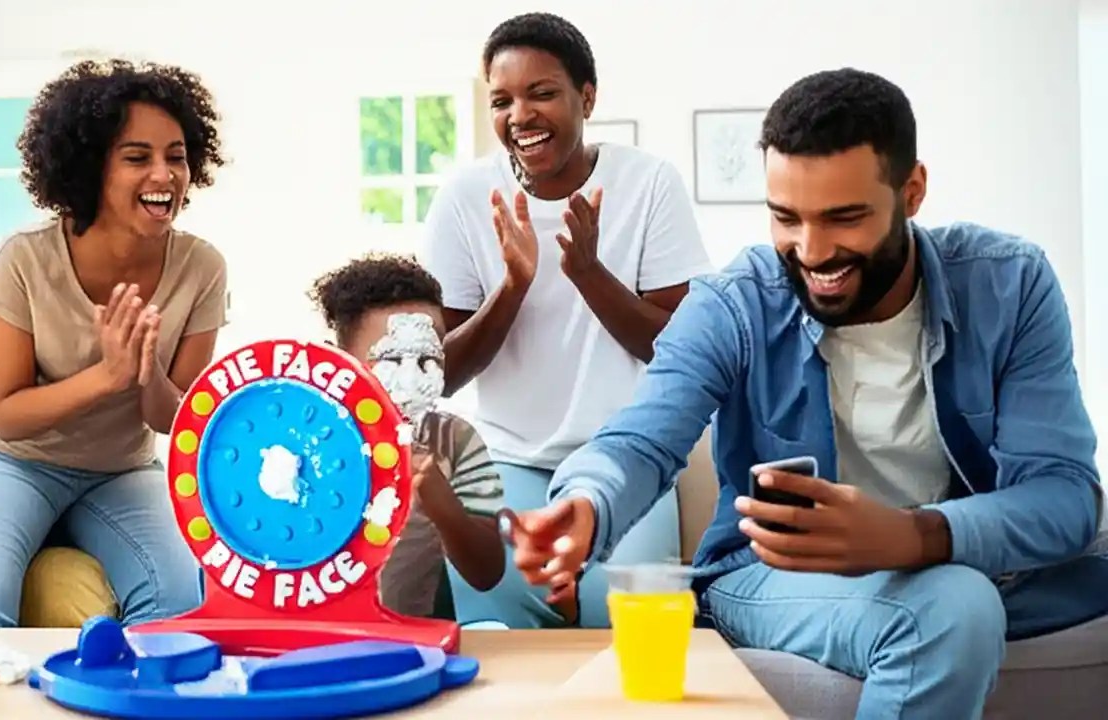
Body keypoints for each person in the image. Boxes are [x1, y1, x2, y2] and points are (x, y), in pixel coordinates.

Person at [509, 66, 1108, 718]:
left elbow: (1063, 493)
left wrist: (913, 537)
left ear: (912, 192)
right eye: (785, 217)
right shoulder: (738, 304)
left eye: (844, 217)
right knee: (952, 609)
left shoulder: (1008, 285)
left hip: (971, 563)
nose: (812, 251)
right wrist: (587, 503)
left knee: (970, 592)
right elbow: (641, 438)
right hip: (774, 575)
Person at [418, 11, 713, 629]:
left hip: (626, 456)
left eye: (542, 93)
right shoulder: (466, 197)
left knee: (626, 618)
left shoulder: (647, 183)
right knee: (497, 632)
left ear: (587, 96)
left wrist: (588, 274)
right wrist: (515, 286)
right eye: (502, 100)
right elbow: (438, 376)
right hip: (506, 461)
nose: (519, 115)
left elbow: (679, 352)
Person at [0, 59, 229, 627]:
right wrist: (105, 376)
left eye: (176, 156)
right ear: (90, 168)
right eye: (137, 157)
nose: (165, 174)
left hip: (120, 469)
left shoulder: (201, 267)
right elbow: (7, 414)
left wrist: (145, 370)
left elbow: (177, 419)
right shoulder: (24, 258)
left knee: (184, 605)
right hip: (4, 458)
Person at [309, 253, 506, 620]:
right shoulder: (307, 438)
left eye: (428, 361)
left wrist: (438, 499)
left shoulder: (454, 441)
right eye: (392, 361)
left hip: (414, 644)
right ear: (340, 361)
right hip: (318, 643)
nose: (412, 383)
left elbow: (487, 572)